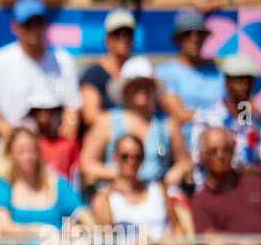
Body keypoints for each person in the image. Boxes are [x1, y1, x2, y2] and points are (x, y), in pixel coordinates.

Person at [0, 0, 81, 145]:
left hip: (52, 142)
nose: (34, 28)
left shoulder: (63, 60)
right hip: (11, 142)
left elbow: (73, 107)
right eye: (27, 24)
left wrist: (66, 136)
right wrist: (14, 137)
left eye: (38, 22)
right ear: (15, 26)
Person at [188, 53, 261, 193]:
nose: (245, 85)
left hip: (255, 194)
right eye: (239, 79)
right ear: (226, 82)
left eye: (249, 80)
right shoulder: (207, 119)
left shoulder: (257, 122)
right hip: (217, 194)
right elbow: (210, 165)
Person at [79, 56, 188, 190]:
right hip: (117, 194)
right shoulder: (106, 121)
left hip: (160, 193)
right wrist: (120, 174)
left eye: (146, 84)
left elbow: (184, 161)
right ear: (125, 89)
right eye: (136, 84)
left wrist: (176, 172)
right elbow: (86, 164)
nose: (142, 89)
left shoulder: (168, 124)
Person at [91, 134, 190, 245]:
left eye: (137, 157)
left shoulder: (158, 189)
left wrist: (179, 239)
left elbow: (176, 225)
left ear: (143, 159)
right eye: (125, 156)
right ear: (115, 158)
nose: (131, 161)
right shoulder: (105, 198)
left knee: (168, 242)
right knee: (144, 242)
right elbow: (106, 236)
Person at [78, 8, 135, 130]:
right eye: (117, 33)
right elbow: (90, 116)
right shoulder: (93, 74)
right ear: (106, 39)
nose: (123, 38)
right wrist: (126, 123)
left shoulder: (139, 70)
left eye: (128, 33)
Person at [25, 86, 79, 186]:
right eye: (38, 110)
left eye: (48, 111)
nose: (44, 115)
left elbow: (75, 175)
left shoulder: (68, 144)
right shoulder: (28, 146)